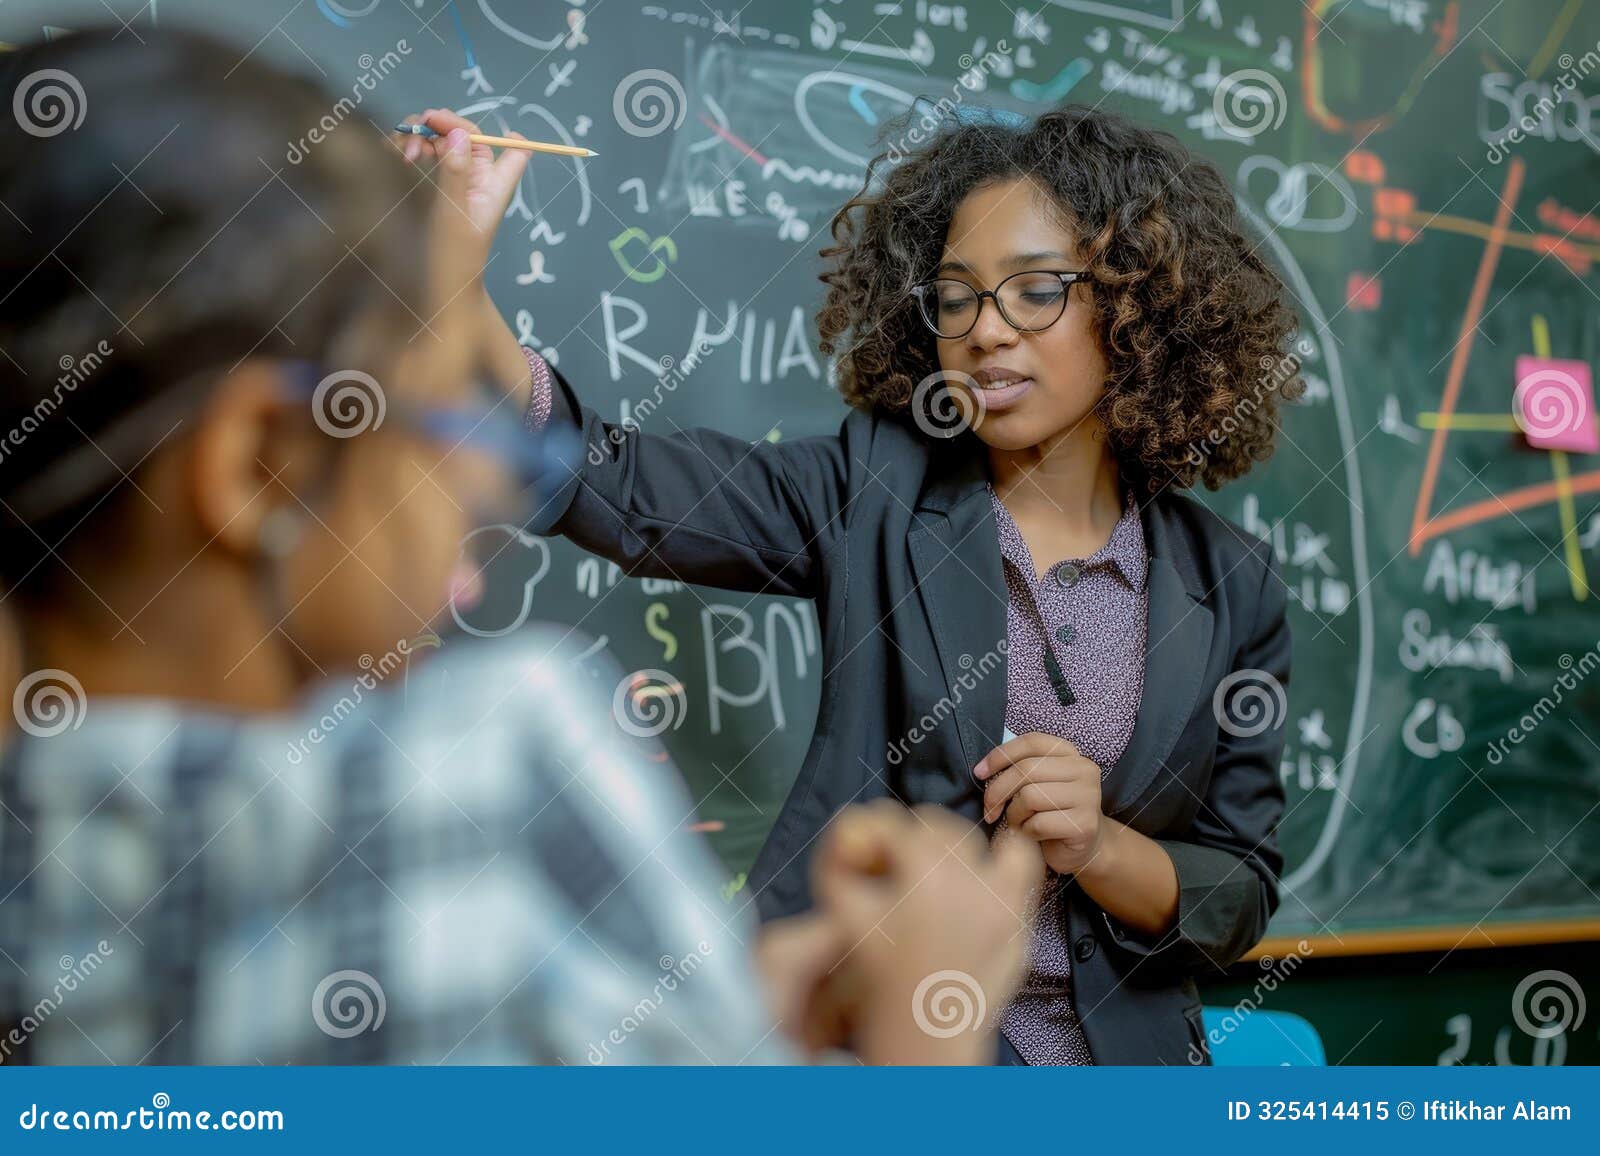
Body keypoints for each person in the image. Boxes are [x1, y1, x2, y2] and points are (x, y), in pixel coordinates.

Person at [0, 27, 1043, 1066]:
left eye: (1037, 291)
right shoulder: (494, 769)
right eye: (447, 427)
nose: (481, 505)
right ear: (259, 466)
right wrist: (922, 1031)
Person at [401, 95, 1298, 1065]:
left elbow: (1237, 893)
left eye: (1036, 291)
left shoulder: (1229, 583)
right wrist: (456, 276)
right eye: (956, 297)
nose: (986, 332)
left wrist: (1100, 846)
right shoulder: (873, 493)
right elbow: (613, 485)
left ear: (1133, 308)